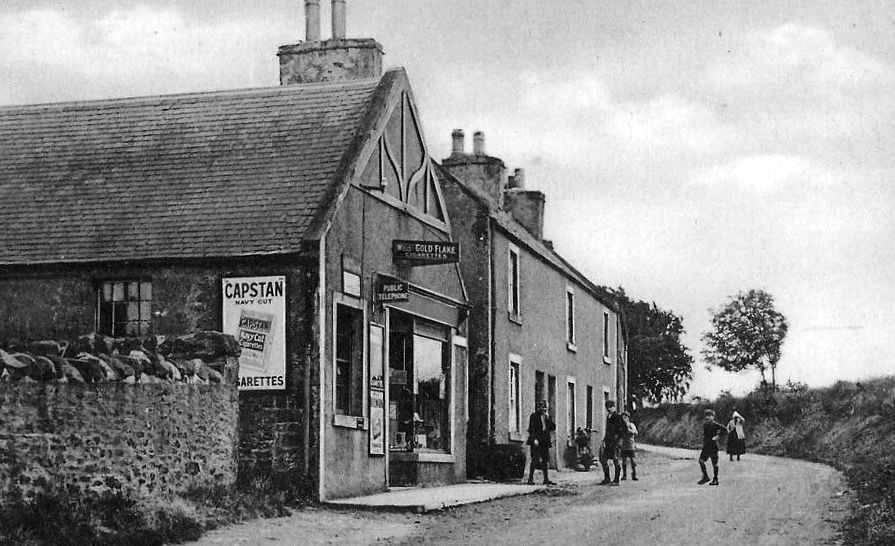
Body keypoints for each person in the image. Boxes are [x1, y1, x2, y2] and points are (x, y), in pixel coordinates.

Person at [527, 400, 556, 485]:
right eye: (541, 407)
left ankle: (546, 479)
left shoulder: (547, 417)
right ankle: (530, 479)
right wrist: (534, 439)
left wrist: (548, 419)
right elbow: (531, 429)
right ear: (538, 408)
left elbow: (553, 427)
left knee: (545, 460)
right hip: (536, 441)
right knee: (535, 460)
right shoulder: (534, 416)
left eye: (544, 407)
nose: (543, 409)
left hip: (545, 441)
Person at [599, 400, 626, 486]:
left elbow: (624, 429)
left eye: (611, 407)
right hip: (608, 441)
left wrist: (618, 436)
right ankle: (607, 478)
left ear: (614, 407)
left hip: (616, 442)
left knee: (616, 459)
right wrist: (604, 439)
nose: (609, 409)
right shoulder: (608, 417)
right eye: (607, 407)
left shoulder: (618, 416)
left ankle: (616, 480)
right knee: (603, 459)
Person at [698, 408, 727, 485]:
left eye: (710, 416)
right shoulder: (705, 425)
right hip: (706, 446)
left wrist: (718, 436)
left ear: (713, 417)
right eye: (706, 416)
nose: (707, 417)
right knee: (701, 461)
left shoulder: (716, 425)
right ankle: (705, 477)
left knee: (714, 463)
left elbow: (725, 430)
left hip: (713, 446)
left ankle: (715, 479)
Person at [620, 412, 638, 481]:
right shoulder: (621, 426)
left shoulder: (631, 425)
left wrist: (629, 431)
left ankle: (634, 475)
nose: (624, 419)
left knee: (633, 461)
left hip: (631, 445)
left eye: (625, 417)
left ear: (628, 418)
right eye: (623, 418)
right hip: (624, 445)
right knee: (624, 461)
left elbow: (636, 432)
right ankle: (624, 475)